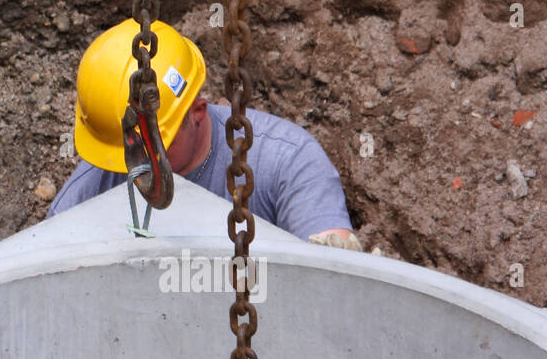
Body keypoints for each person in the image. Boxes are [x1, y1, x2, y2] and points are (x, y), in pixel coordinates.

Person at [48, 19, 362, 249]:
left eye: (153, 147)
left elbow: (330, 278)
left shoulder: (287, 160)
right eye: (125, 154)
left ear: (197, 111)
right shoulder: (89, 190)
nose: (137, 166)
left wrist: (336, 256)